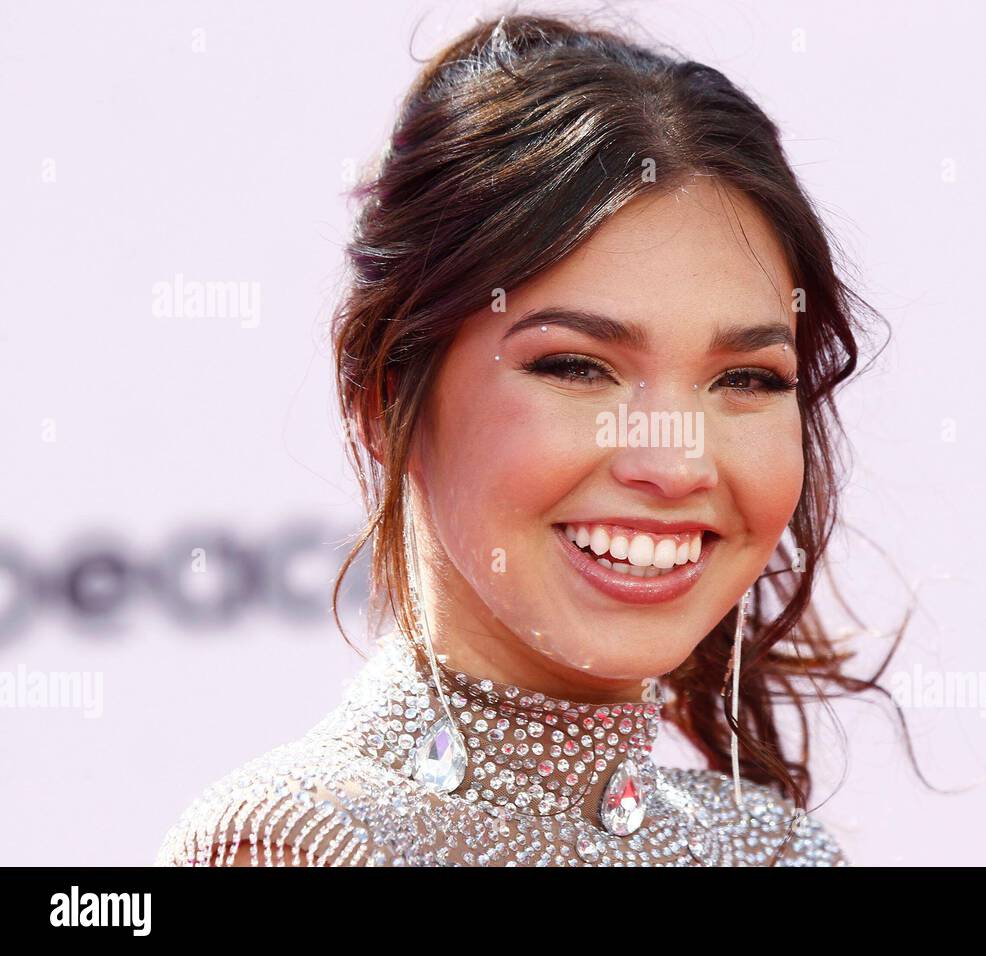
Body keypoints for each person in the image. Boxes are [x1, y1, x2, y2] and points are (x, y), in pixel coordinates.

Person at [156, 12, 899, 867]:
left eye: (746, 379)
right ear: (386, 392)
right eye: (578, 368)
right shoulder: (293, 846)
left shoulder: (780, 853)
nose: (674, 461)